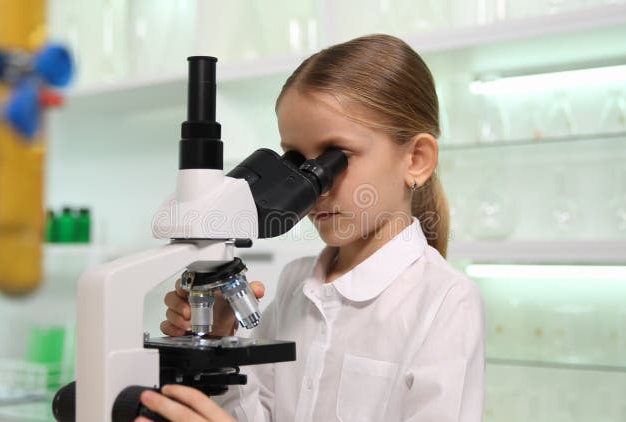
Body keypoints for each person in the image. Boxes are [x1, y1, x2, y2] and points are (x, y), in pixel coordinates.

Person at [145, 33, 485, 422]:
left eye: (334, 158)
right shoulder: (295, 284)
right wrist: (220, 344)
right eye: (295, 161)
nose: (312, 189)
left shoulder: (446, 302)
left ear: (416, 159)